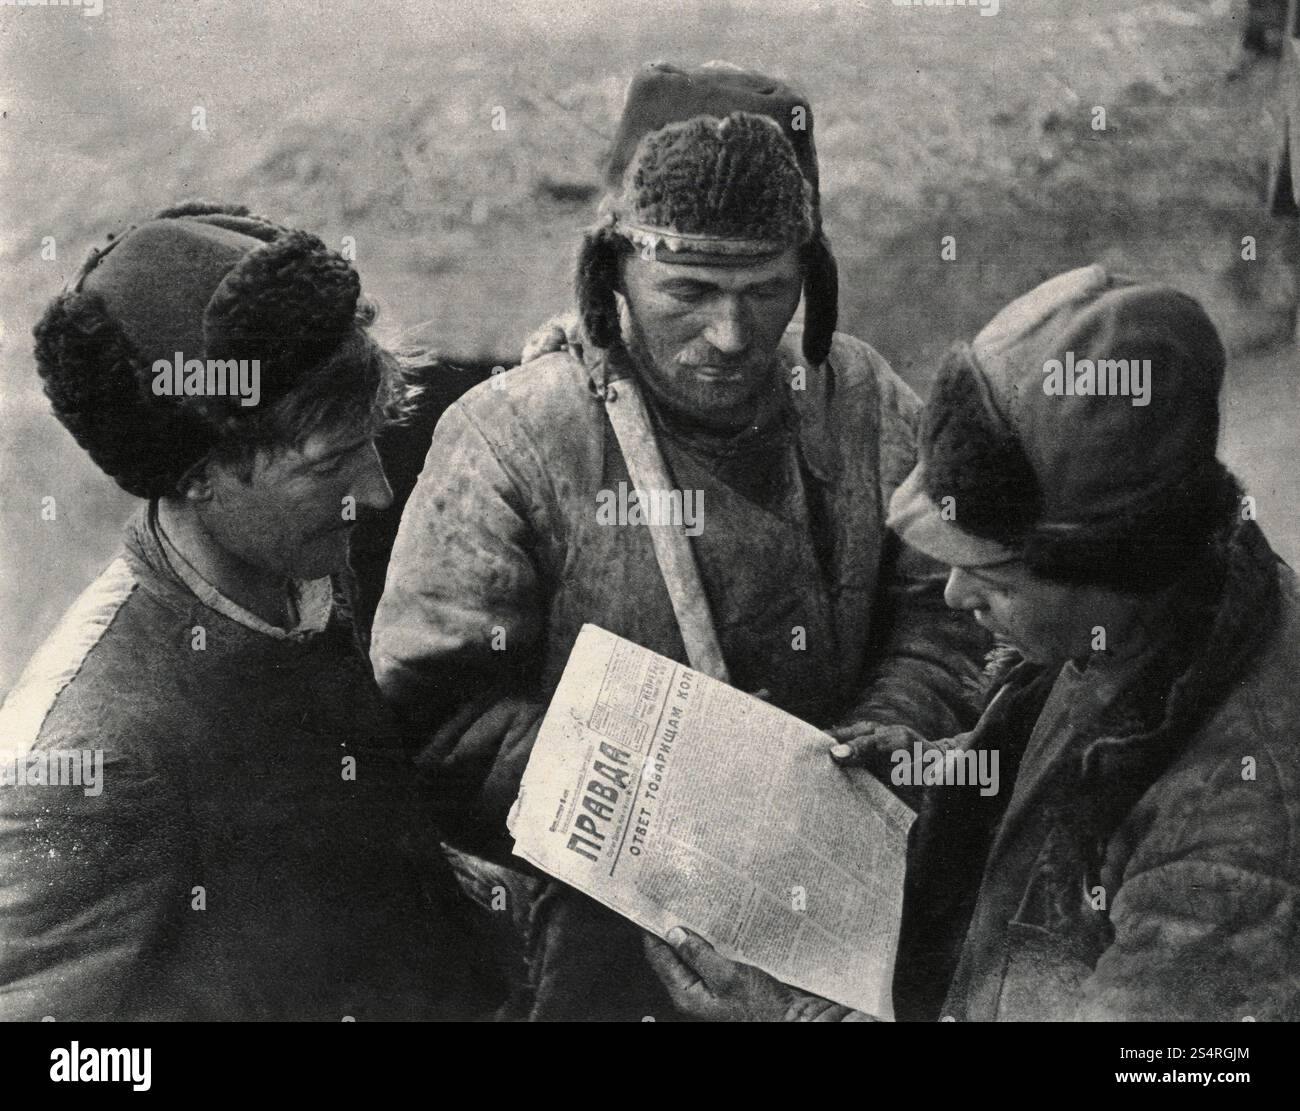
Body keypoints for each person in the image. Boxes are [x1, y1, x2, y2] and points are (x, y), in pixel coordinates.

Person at [370, 62, 986, 1020]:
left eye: (766, 288)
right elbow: (433, 714)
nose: (733, 334)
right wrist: (673, 817)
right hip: (605, 938)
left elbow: (945, 615)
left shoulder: (862, 404)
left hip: (839, 918)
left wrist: (888, 731)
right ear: (614, 272)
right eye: (688, 289)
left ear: (808, 280)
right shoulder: (513, 440)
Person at [644, 265, 1300, 1021]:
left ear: (1109, 567)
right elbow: (1076, 771)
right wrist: (942, 776)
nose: (956, 597)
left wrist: (789, 1019)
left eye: (992, 577)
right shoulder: (1161, 605)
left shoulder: (1236, 854)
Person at [0, 202, 495, 1021]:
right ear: (200, 474)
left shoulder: (296, 569)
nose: (375, 491)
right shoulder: (100, 754)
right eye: (332, 462)